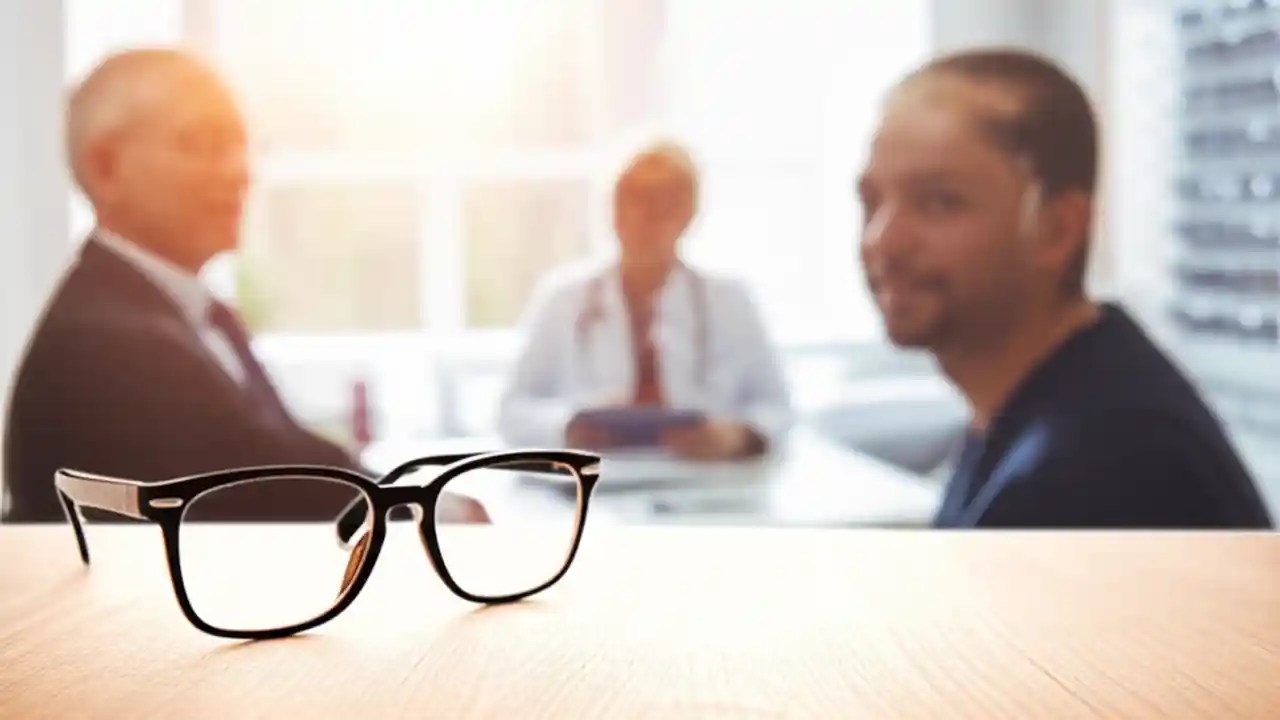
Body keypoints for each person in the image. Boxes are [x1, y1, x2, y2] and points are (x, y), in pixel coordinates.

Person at [3, 49, 483, 523]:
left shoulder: (194, 313)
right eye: (203, 143)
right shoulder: (106, 342)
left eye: (241, 146)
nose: (239, 170)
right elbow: (273, 490)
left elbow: (285, 456)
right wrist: (436, 513)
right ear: (107, 166)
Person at [857, 49, 1272, 528]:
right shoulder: (1046, 400)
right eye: (871, 203)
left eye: (938, 203)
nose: (881, 241)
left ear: (1057, 229)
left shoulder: (1102, 466)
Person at [498, 141, 791, 460]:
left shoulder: (732, 301)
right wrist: (568, 426)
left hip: (705, 480)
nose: (648, 214)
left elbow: (777, 408)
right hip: (594, 479)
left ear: (689, 214)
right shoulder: (563, 299)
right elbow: (512, 411)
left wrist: (740, 435)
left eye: (666, 201)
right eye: (635, 198)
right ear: (612, 209)